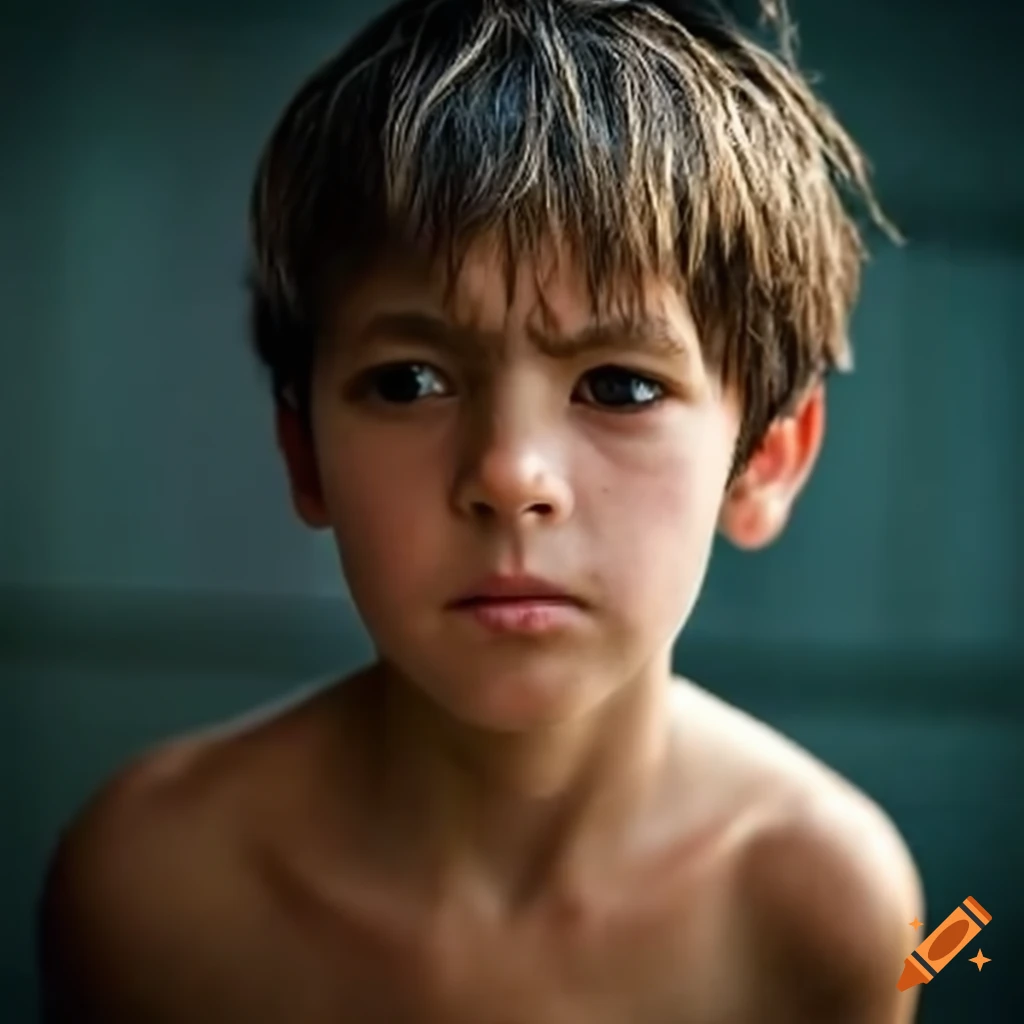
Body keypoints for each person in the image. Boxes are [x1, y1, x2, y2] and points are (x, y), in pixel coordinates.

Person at [38, 1, 925, 1021]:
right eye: (409, 381)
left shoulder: (847, 913)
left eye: (620, 386)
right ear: (305, 452)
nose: (509, 473)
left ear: (763, 459)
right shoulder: (148, 890)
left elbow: (961, 964)